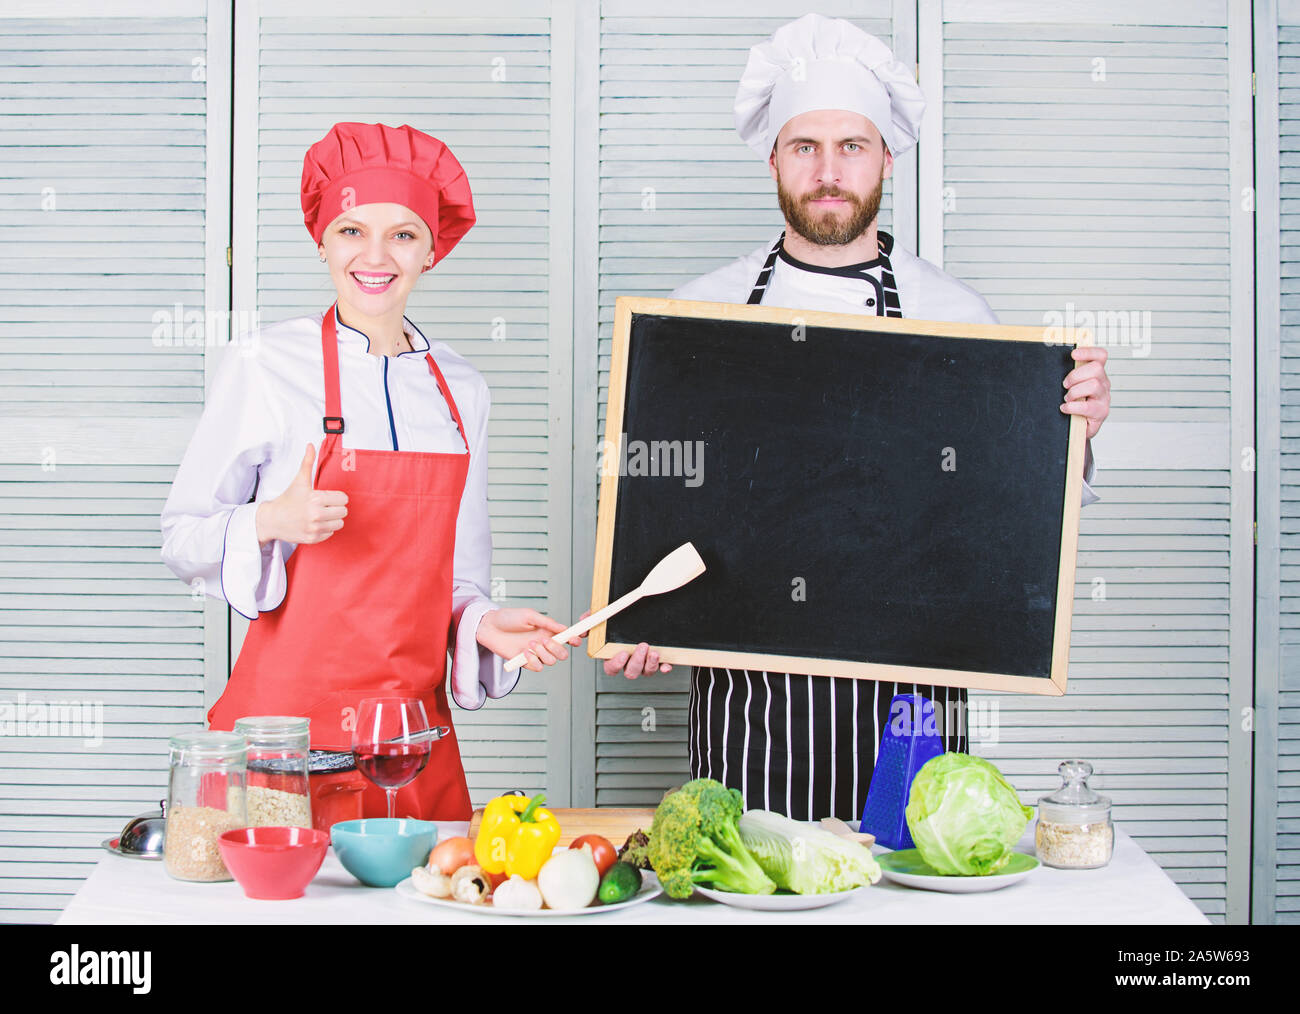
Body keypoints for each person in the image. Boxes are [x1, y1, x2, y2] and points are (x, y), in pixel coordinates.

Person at [603, 15, 1112, 821]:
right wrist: (637, 611)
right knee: (749, 891)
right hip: (750, 707)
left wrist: (1072, 433)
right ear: (773, 158)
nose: (829, 171)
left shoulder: (960, 317)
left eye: (853, 146)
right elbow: (656, 500)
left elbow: (1009, 512)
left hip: (915, 697)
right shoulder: (696, 314)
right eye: (805, 146)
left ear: (887, 157)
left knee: (912, 887)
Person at [161, 122, 577, 822]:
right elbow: (182, 536)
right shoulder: (266, 365)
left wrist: (483, 624)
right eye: (352, 231)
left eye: (403, 235)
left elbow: (456, 580)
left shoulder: (460, 388)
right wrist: (271, 520)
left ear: (432, 250)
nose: (375, 256)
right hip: (283, 743)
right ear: (322, 241)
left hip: (408, 746)